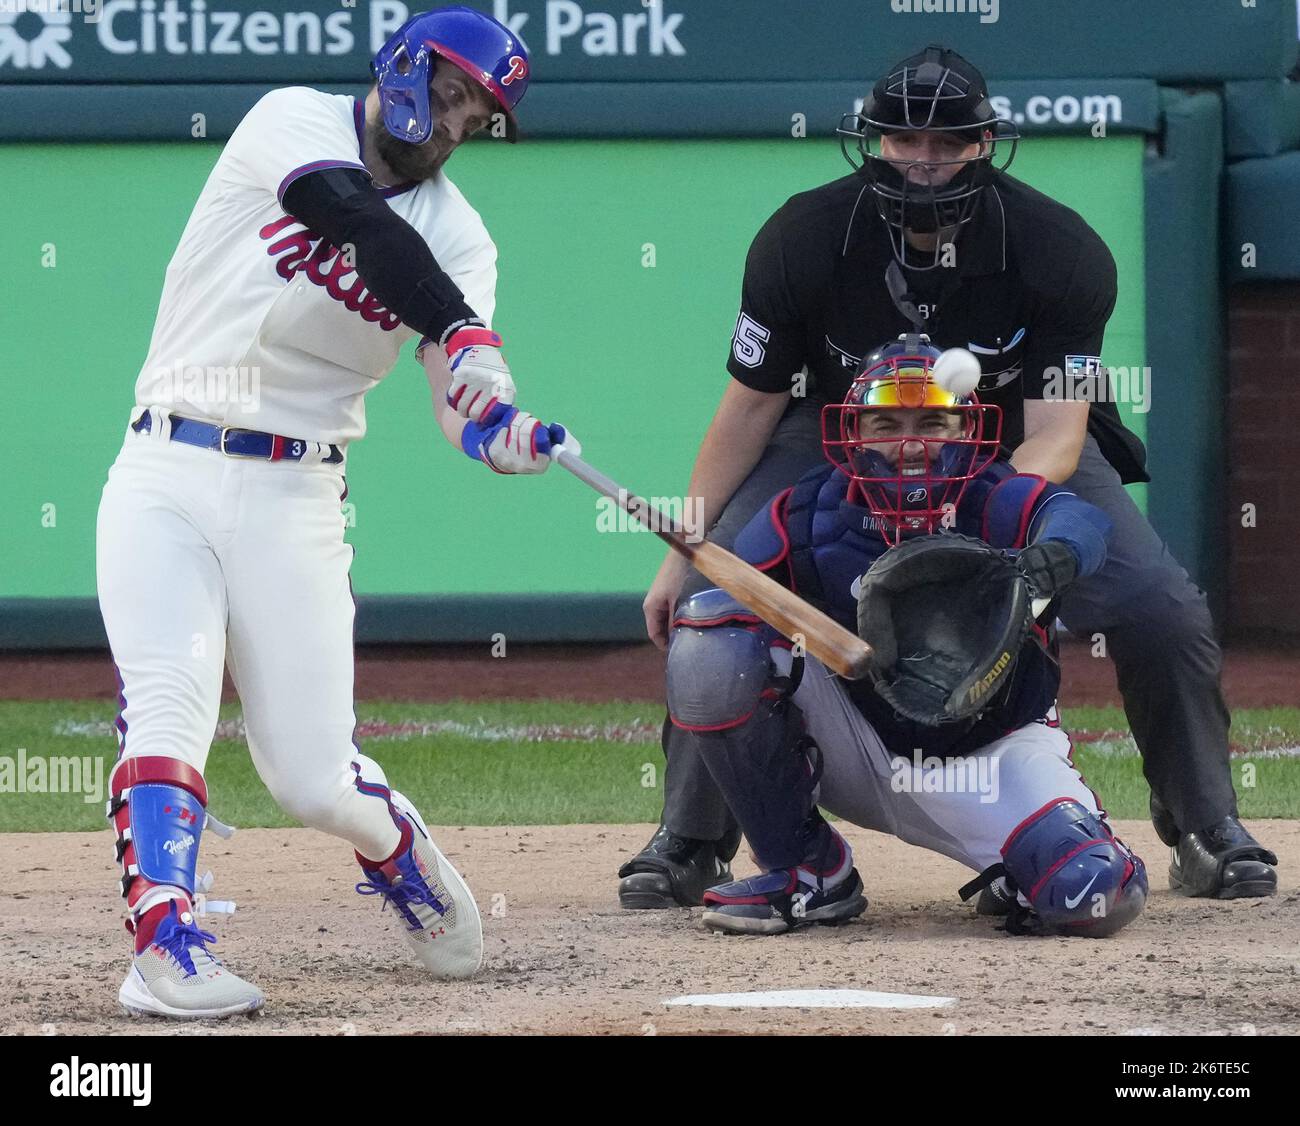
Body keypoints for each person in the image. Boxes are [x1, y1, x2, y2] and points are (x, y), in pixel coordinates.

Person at [619, 44, 1276, 910]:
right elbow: (747, 408)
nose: (924, 159)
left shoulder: (1061, 250)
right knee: (726, 603)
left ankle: (1204, 824)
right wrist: (684, 552)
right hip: (845, 436)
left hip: (1011, 444)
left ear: (984, 143)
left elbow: (1058, 433)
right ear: (875, 140)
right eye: (904, 139)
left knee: (1159, 608)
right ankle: (694, 836)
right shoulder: (803, 236)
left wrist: (968, 531)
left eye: (949, 140)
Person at [96, 7, 563, 1019]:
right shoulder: (292, 121)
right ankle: (163, 940)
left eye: (474, 117)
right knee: (169, 696)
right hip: (165, 462)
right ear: (403, 64)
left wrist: (495, 427)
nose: (450, 125)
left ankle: (392, 845)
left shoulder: (461, 237)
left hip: (297, 491)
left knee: (310, 777)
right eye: (447, 94)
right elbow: (352, 218)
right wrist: (459, 328)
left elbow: (456, 403)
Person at [666, 336, 1148, 939]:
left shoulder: (998, 497)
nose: (911, 442)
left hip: (996, 757)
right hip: (858, 741)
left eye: (933, 421)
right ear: (855, 431)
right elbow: (726, 613)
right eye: (887, 422)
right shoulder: (806, 512)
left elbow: (1082, 520)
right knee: (710, 635)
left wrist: (1050, 560)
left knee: (1095, 893)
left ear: (965, 428)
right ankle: (809, 871)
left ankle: (1020, 863)